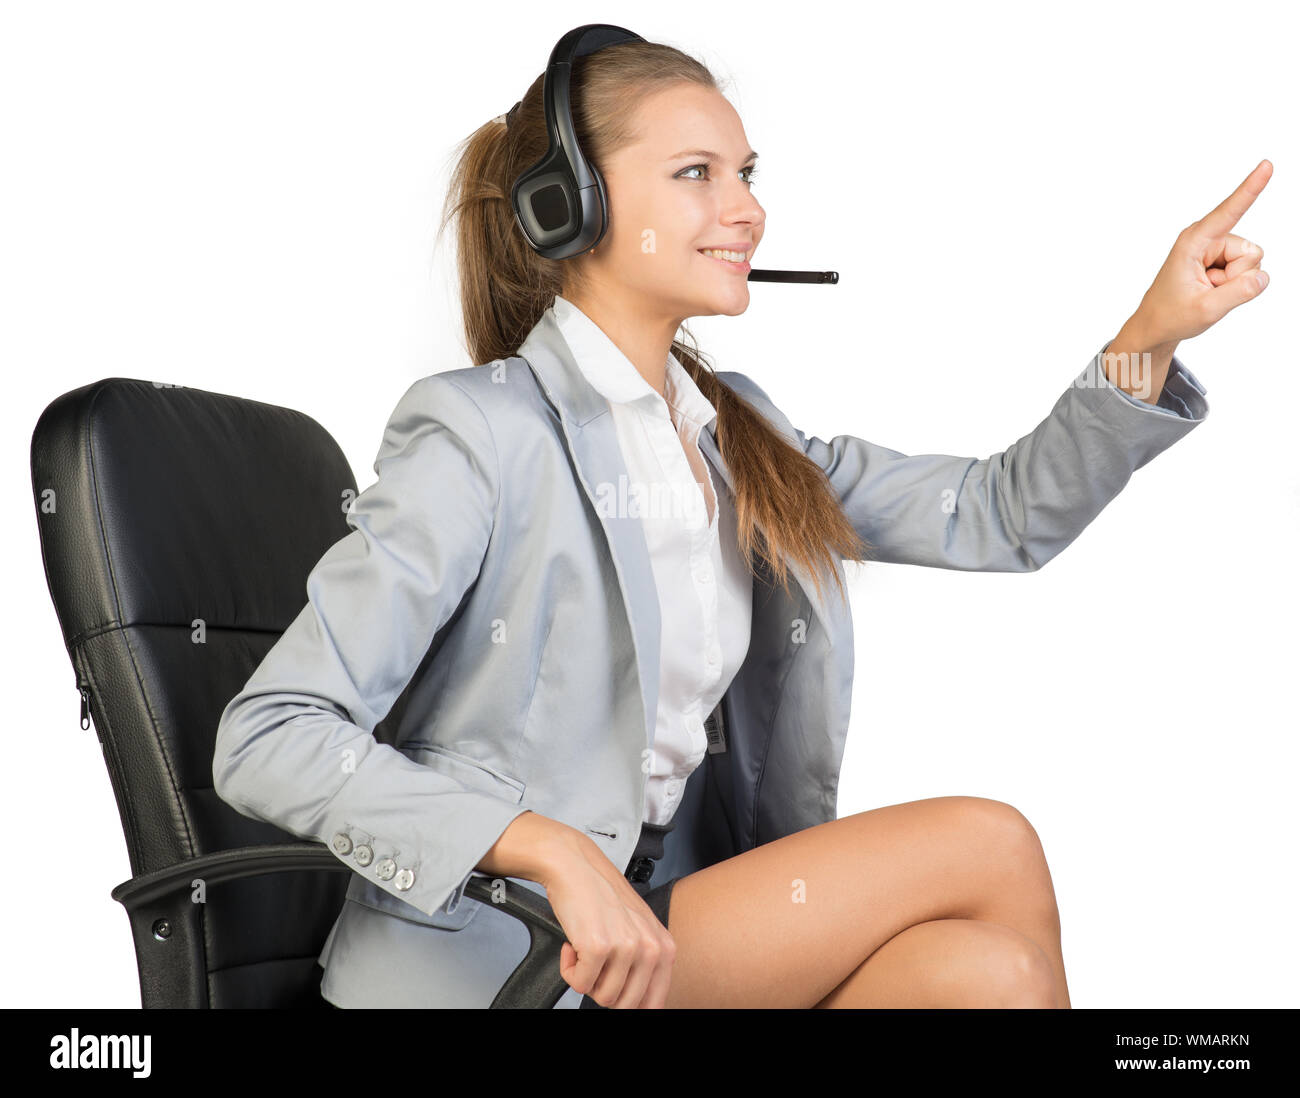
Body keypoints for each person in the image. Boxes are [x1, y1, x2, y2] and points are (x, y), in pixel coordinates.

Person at [213, 35, 1269, 1009]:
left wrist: (1150, 333)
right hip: (504, 950)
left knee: (987, 975)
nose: (746, 210)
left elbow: (998, 516)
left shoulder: (739, 433)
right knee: (989, 845)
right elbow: (270, 738)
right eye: (696, 174)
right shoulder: (480, 432)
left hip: (669, 926)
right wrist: (544, 846)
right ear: (568, 210)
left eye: (746, 174)